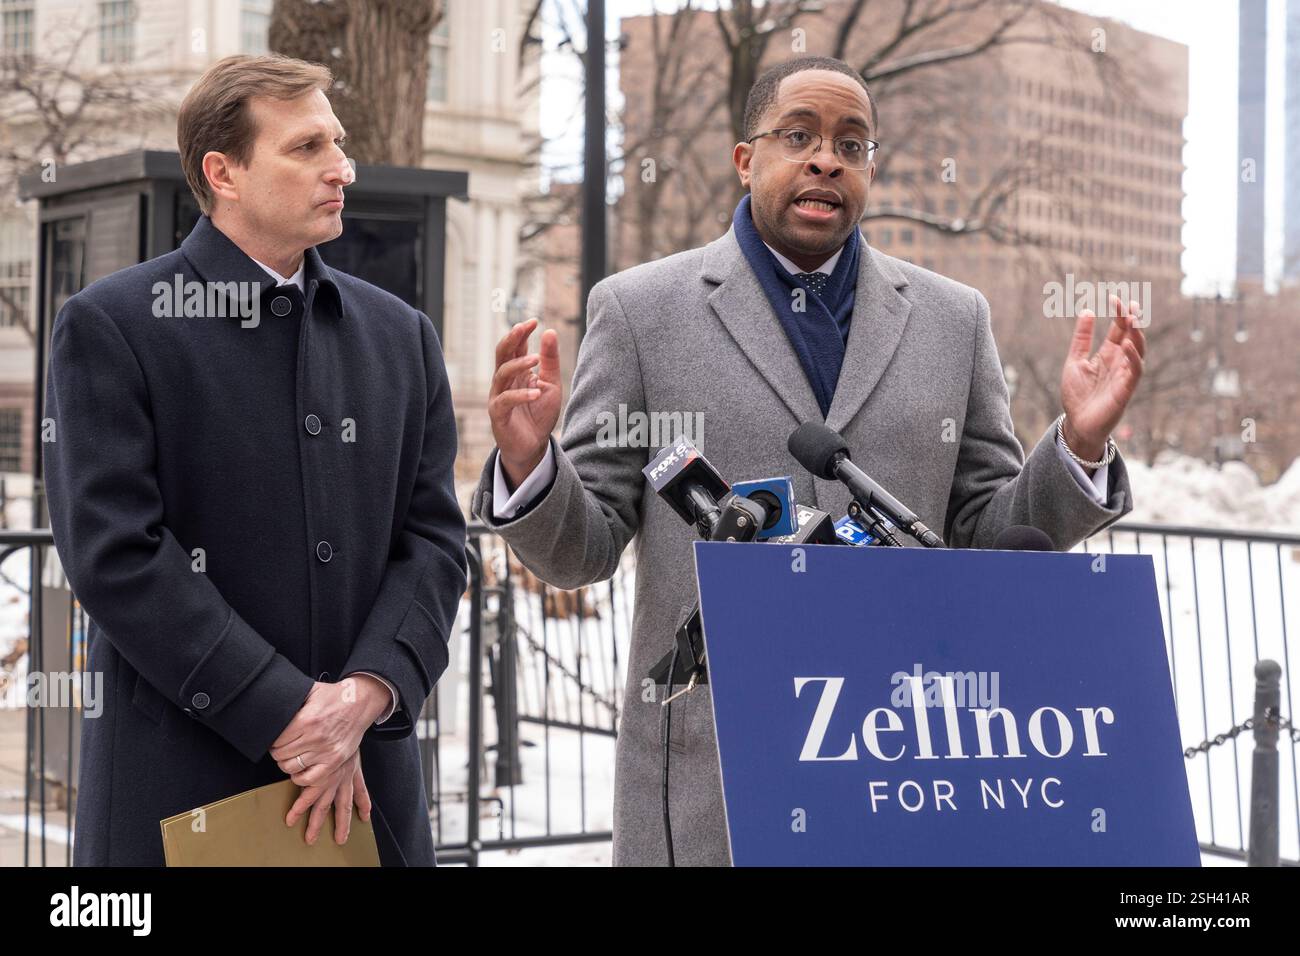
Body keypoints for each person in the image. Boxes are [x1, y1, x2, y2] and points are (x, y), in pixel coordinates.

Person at [472, 55, 1145, 866]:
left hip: (906, 764)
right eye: (799, 136)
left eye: (852, 144)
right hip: (711, 786)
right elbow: (583, 551)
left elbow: (986, 537)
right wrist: (529, 463)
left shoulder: (954, 319)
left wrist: (1077, 444)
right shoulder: (640, 311)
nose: (827, 158)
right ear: (746, 158)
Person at [43, 54, 467, 866]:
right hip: (183, 789)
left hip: (368, 786)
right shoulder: (113, 325)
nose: (341, 167)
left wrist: (365, 696)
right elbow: (116, 554)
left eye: (337, 143)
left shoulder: (401, 336)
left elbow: (435, 544)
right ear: (223, 172)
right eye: (306, 147)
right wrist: (287, 712)